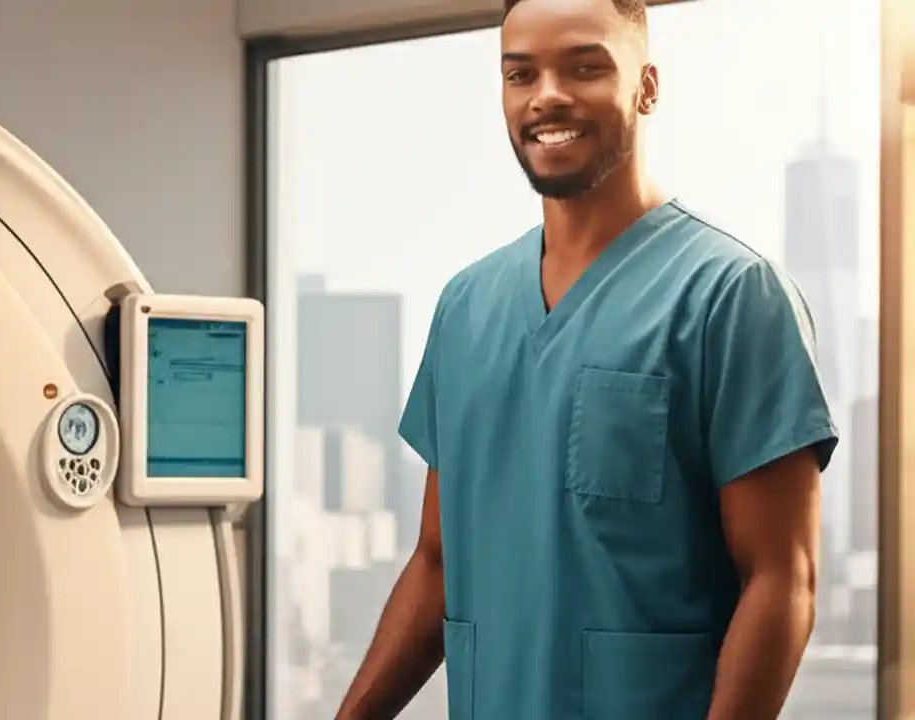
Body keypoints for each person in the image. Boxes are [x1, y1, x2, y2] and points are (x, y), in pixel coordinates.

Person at [334, 0, 838, 718]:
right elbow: (439, 562)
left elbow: (781, 578)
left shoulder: (731, 296)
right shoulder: (466, 306)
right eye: (520, 74)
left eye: (585, 67)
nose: (548, 96)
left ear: (648, 86)